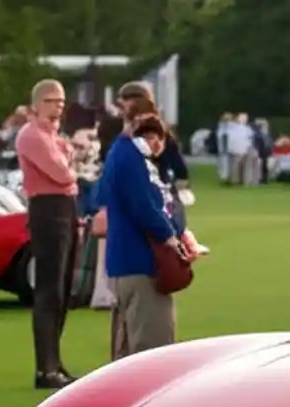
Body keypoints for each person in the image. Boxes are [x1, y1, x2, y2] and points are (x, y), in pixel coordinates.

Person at [100, 113, 197, 360]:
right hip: (141, 263)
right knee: (152, 356)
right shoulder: (130, 158)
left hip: (130, 264)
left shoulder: (125, 156)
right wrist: (171, 238)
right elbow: (146, 207)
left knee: (127, 354)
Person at [15, 79, 78, 389]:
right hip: (47, 209)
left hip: (64, 207)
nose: (58, 106)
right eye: (53, 100)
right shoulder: (32, 136)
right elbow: (62, 173)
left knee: (64, 288)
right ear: (38, 104)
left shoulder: (53, 136)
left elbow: (68, 171)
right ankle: (45, 368)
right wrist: (71, 164)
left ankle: (55, 362)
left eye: (62, 101)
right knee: (49, 289)